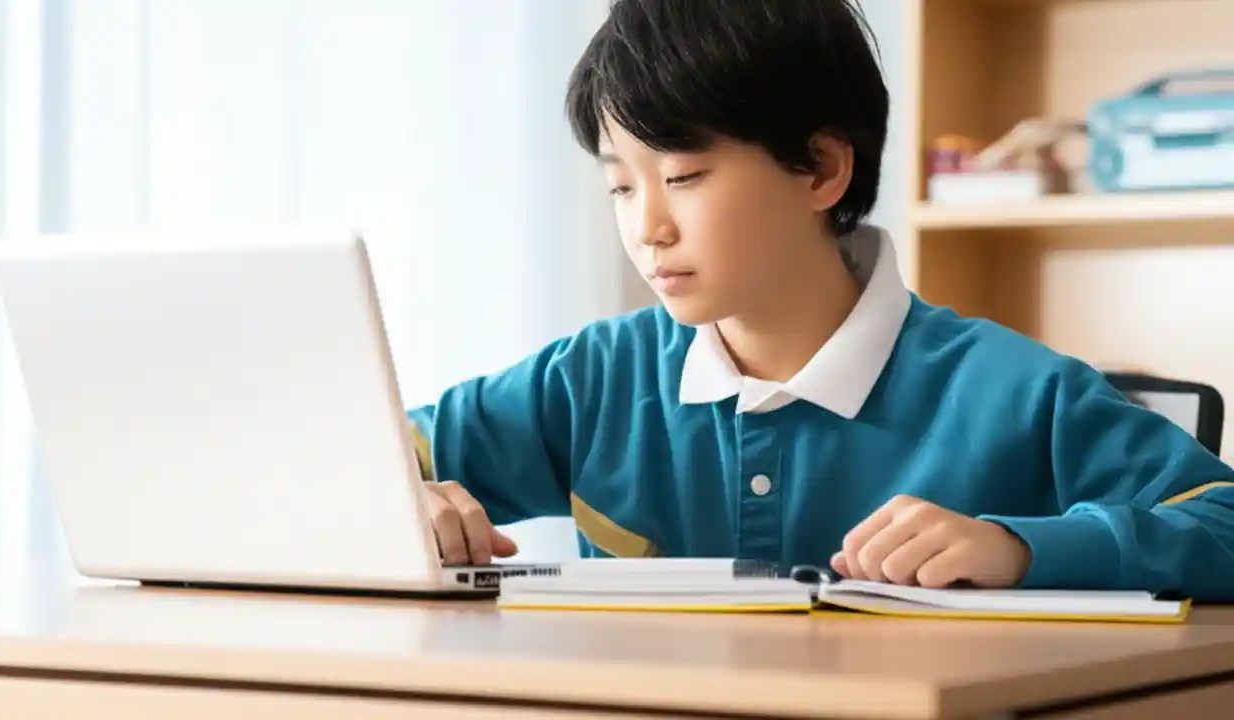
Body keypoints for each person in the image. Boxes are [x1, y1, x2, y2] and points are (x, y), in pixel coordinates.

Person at [408, 0, 1234, 599]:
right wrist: (404, 498)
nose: (647, 228)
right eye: (622, 186)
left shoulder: (1012, 393)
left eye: (684, 177)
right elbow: (373, 454)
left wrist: (1018, 549)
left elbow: (1222, 519)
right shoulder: (593, 379)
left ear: (822, 170)